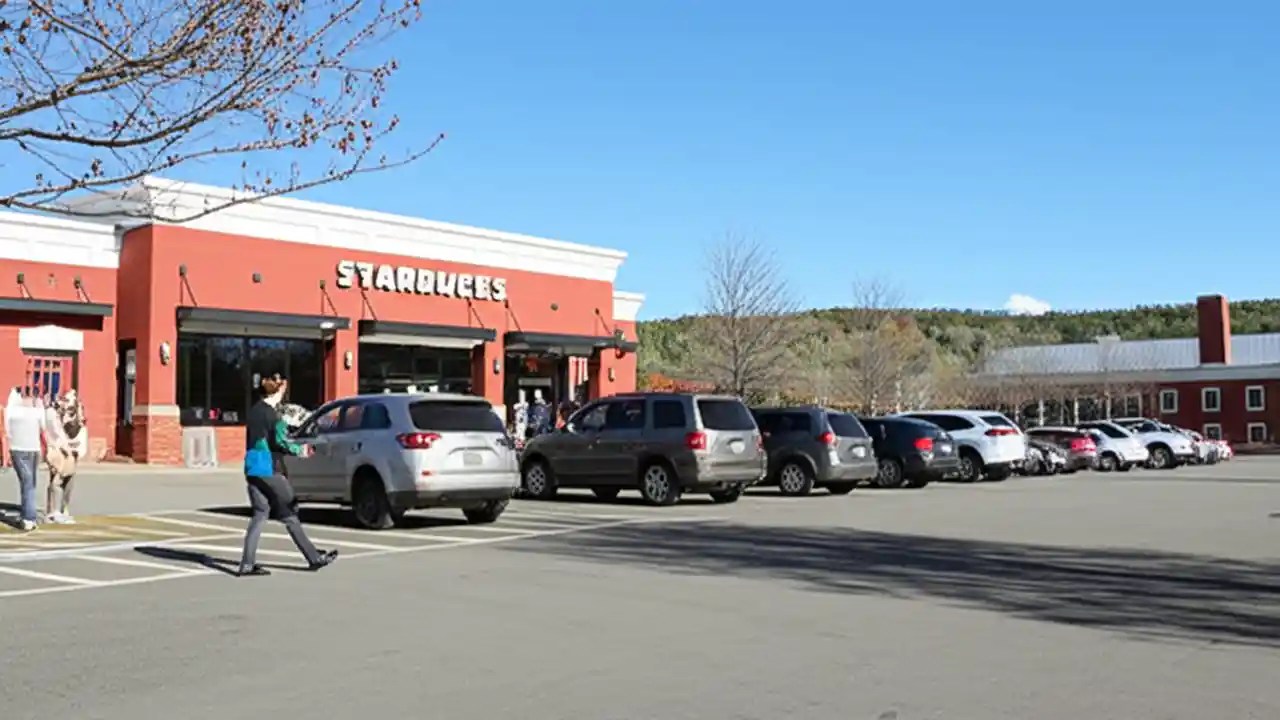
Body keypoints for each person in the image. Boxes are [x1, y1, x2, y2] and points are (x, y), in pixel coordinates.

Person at [238, 373, 338, 577]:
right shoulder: (274, 415)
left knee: (259, 514)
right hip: (269, 468)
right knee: (290, 510)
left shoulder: (255, 411)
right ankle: (314, 558)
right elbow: (280, 442)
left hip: (252, 467)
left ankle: (247, 564)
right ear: (280, 390)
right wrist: (301, 451)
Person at [43, 388, 86, 524]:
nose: (65, 404)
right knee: (56, 479)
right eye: (64, 400)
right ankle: (52, 511)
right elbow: (55, 432)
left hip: (69, 451)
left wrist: (77, 411)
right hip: (57, 450)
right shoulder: (52, 414)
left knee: (68, 481)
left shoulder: (72, 416)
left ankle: (63, 509)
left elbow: (76, 428)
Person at [4, 387, 43, 531]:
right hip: (29, 449)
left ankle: (28, 517)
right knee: (30, 483)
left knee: (28, 483)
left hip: (23, 449)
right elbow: (43, 426)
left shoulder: (12, 411)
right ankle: (29, 517)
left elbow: (7, 431)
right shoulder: (36, 411)